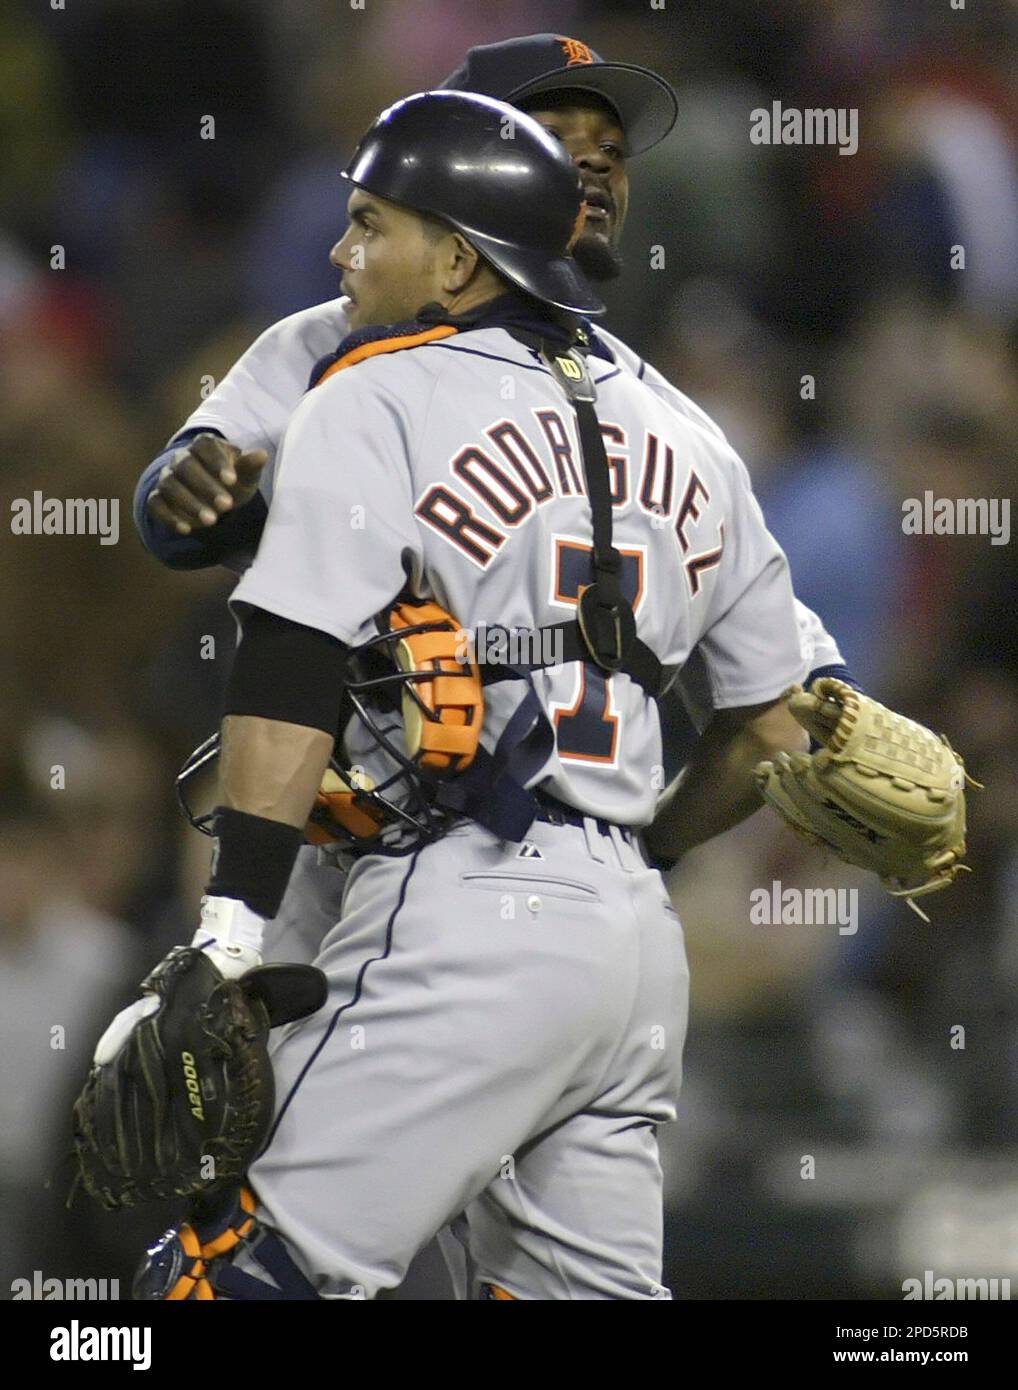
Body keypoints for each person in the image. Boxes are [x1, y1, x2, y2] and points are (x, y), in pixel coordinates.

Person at [108, 86, 811, 1300]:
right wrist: (632, 864)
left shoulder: (370, 392)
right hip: (639, 964)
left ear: (454, 257)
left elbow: (286, 670)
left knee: (220, 1284)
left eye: (370, 224)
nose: (341, 251)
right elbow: (778, 726)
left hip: (466, 899)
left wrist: (227, 939)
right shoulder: (693, 432)